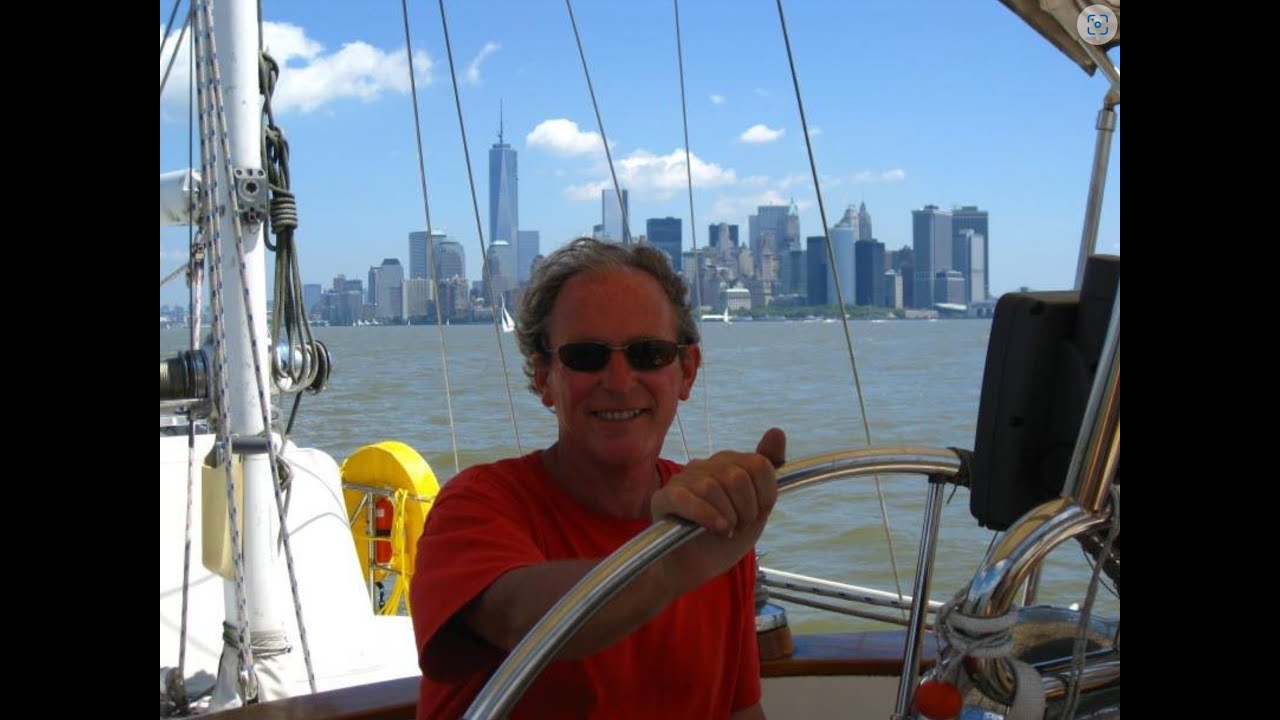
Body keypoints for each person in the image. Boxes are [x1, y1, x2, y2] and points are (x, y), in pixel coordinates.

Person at [410, 237, 786, 719]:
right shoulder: (476, 505)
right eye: (586, 356)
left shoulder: (710, 521)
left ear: (687, 371)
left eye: (648, 353)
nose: (620, 381)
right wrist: (666, 566)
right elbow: (517, 616)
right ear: (544, 378)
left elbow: (740, 711)